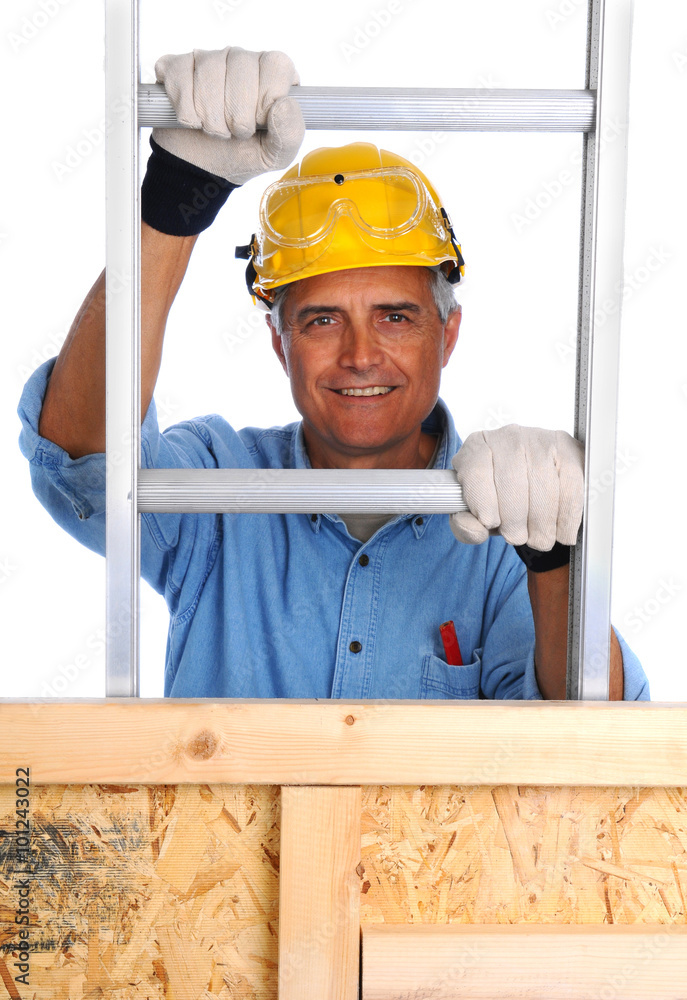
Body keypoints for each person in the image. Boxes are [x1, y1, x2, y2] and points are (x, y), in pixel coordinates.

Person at [18, 46, 648, 702]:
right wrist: (175, 199)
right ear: (278, 342)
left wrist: (555, 561)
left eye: (395, 317)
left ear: (448, 334)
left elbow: (590, 749)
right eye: (320, 320)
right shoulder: (217, 490)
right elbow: (78, 459)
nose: (359, 354)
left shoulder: (498, 530)